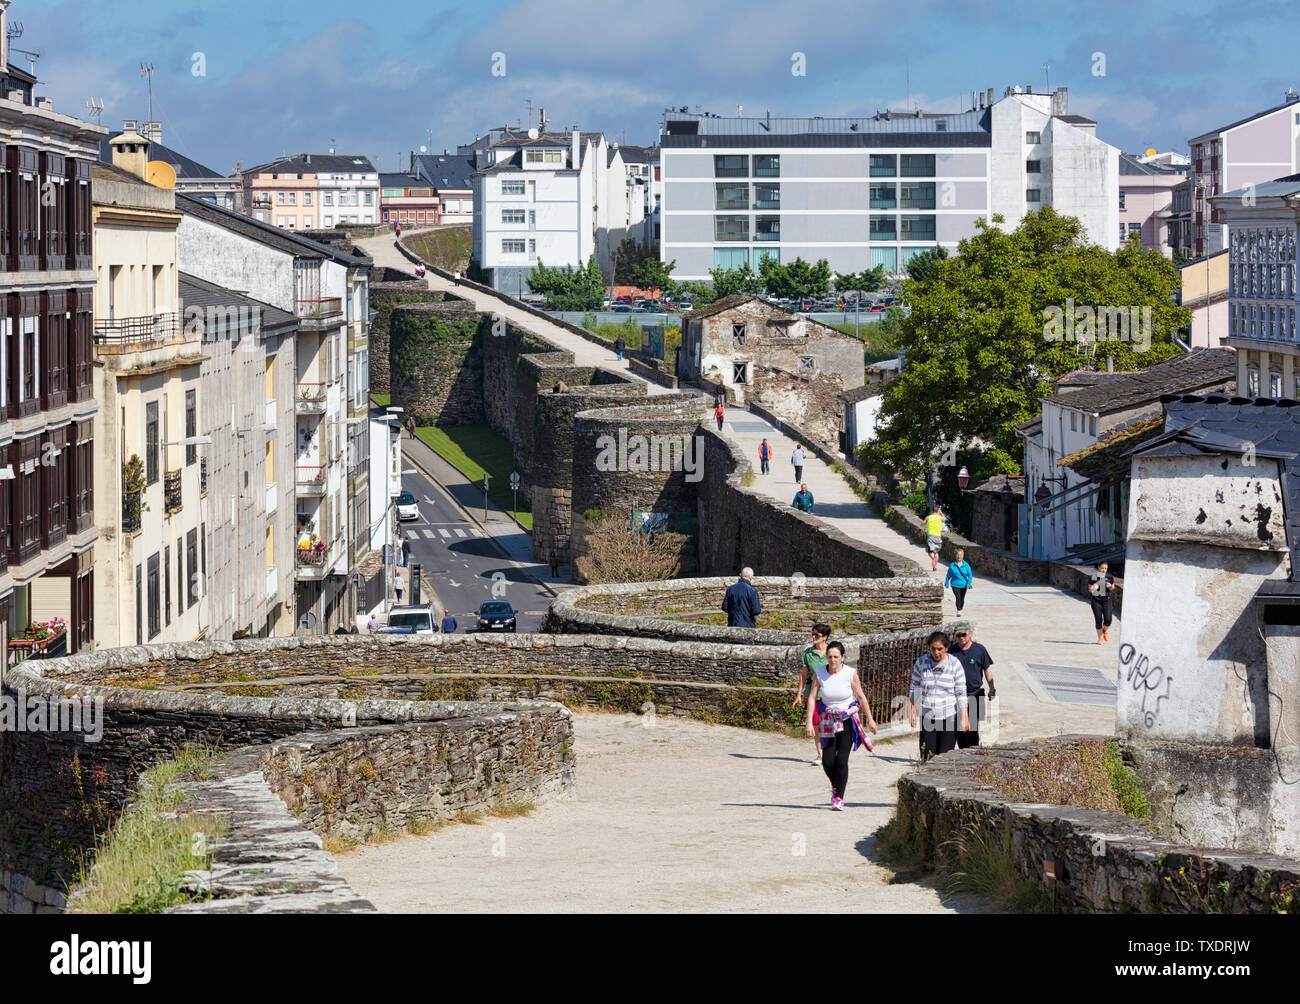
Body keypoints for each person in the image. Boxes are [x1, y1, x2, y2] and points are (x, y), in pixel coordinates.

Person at [804, 641, 878, 810]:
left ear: (843, 657)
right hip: (827, 720)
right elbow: (811, 697)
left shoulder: (850, 673)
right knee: (828, 761)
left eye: (836, 657)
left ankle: (839, 797)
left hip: (846, 720)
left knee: (842, 760)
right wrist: (809, 721)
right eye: (830, 657)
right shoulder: (820, 673)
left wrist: (870, 719)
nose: (833, 660)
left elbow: (861, 697)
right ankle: (835, 786)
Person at [907, 630, 969, 762]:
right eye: (933, 649)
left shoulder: (954, 664)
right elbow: (914, 686)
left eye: (940, 649)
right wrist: (912, 710)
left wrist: (965, 717)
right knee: (928, 755)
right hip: (927, 715)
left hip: (949, 716)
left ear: (946, 648)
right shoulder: (922, 662)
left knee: (945, 757)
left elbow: (961, 691)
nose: (936, 652)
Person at [950, 621, 995, 748]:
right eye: (959, 635)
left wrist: (992, 689)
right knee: (960, 727)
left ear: (970, 633)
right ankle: (962, 752)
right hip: (957, 694)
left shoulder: (979, 649)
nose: (962, 637)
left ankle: (973, 753)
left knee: (973, 728)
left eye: (964, 634)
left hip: (975, 693)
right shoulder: (952, 651)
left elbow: (987, 670)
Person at [793, 623, 832, 765]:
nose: (813, 637)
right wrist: (798, 695)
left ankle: (830, 751)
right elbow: (803, 676)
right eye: (813, 634)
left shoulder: (832, 652)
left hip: (830, 694)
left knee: (829, 724)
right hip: (813, 694)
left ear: (825, 637)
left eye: (817, 635)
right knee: (815, 723)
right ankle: (820, 754)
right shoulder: (808, 653)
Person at [1089, 560, 1116, 643]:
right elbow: (1090, 590)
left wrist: (1110, 586)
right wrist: (1094, 587)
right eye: (1102, 568)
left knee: (1108, 620)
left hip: (1107, 601)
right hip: (1096, 601)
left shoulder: (1109, 576)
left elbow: (1113, 588)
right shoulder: (1094, 576)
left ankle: (1104, 631)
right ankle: (1100, 638)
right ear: (1098, 567)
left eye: (1105, 568)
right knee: (1098, 621)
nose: (1104, 570)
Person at [944, 548, 974, 614]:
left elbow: (970, 575)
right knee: (958, 597)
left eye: (960, 555)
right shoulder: (952, 565)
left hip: (964, 585)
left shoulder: (966, 565)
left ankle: (961, 610)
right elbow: (948, 575)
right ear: (955, 555)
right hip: (955, 584)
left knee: (962, 598)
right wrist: (946, 583)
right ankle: (959, 611)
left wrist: (968, 584)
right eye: (957, 554)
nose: (959, 556)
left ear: (963, 556)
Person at [925, 506, 945, 572]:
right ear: (937, 511)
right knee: (936, 552)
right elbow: (945, 519)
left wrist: (924, 523)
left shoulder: (928, 517)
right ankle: (934, 568)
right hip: (938, 537)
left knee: (930, 552)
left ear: (932, 510)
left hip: (931, 536)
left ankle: (933, 559)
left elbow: (922, 523)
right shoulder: (940, 518)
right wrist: (941, 513)